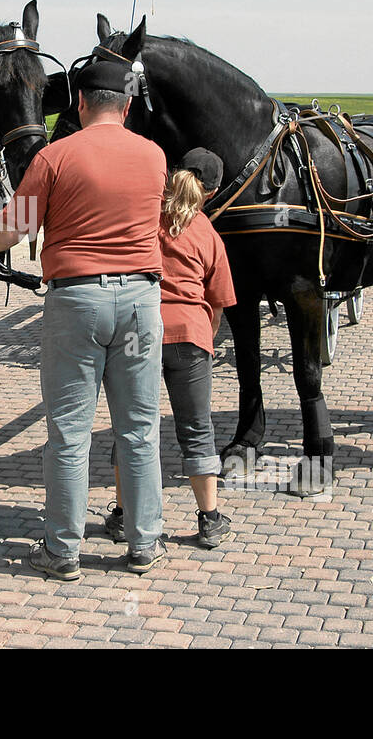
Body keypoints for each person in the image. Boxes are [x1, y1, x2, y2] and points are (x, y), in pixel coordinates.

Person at [0, 57, 168, 580]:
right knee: (139, 429)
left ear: (81, 103)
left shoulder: (54, 157)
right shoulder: (155, 157)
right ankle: (144, 543)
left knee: (69, 432)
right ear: (129, 105)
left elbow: (10, 233)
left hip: (76, 303)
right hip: (141, 301)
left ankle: (62, 550)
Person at [104, 147, 237, 548]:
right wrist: (204, 335)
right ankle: (209, 519)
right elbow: (218, 300)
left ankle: (124, 514)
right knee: (197, 429)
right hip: (190, 337)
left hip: (137, 333)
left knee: (130, 427)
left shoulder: (141, 222)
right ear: (210, 193)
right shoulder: (207, 233)